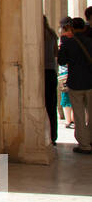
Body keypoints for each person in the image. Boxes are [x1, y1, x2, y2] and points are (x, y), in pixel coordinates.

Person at [57, 17, 92, 154]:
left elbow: (61, 61)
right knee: (90, 113)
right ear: (84, 28)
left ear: (71, 28)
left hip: (76, 82)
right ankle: (90, 139)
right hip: (90, 82)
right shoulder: (90, 42)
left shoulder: (68, 43)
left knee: (78, 114)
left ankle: (84, 144)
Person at [44, 15, 59, 145]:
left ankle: (45, 136)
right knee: (51, 105)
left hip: (42, 72)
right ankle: (53, 136)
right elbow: (56, 53)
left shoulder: (40, 34)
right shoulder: (52, 34)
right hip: (51, 72)